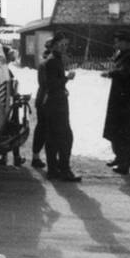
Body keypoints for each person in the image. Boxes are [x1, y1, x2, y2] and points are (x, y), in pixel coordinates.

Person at [101, 29, 130, 175]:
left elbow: (124, 72)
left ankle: (124, 165)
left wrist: (110, 73)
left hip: (124, 102)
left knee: (124, 134)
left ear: (126, 42)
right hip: (126, 100)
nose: (115, 43)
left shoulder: (129, 57)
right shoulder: (127, 55)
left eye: (118, 41)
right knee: (128, 134)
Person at [39, 34, 81, 181]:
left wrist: (63, 85)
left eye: (66, 45)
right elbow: (52, 84)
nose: (64, 47)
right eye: (62, 45)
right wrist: (66, 79)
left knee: (53, 137)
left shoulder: (55, 59)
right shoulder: (52, 61)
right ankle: (64, 170)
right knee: (65, 137)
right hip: (56, 104)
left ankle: (53, 169)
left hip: (54, 102)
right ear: (55, 44)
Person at [30, 39, 54, 169]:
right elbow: (46, 83)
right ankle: (36, 157)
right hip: (45, 99)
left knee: (43, 128)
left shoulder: (47, 61)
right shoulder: (46, 63)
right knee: (43, 129)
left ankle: (36, 156)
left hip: (44, 98)